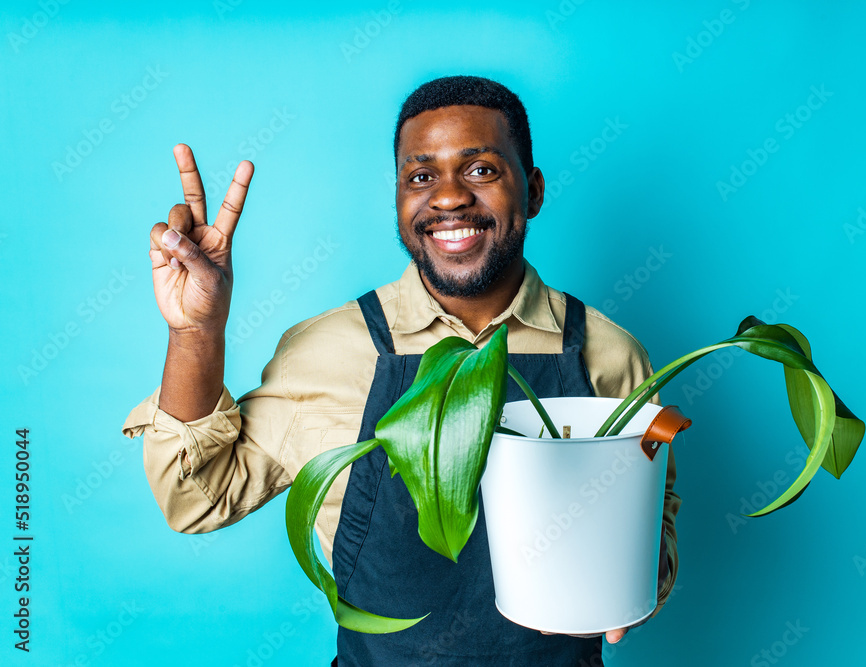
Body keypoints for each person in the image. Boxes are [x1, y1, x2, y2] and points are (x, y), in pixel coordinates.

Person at [122, 75, 680, 666]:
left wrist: (632, 587)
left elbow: (654, 528)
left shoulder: (611, 355)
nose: (447, 197)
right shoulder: (324, 351)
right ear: (397, 198)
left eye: (482, 169)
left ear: (533, 191)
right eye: (420, 177)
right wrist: (194, 331)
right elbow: (193, 501)